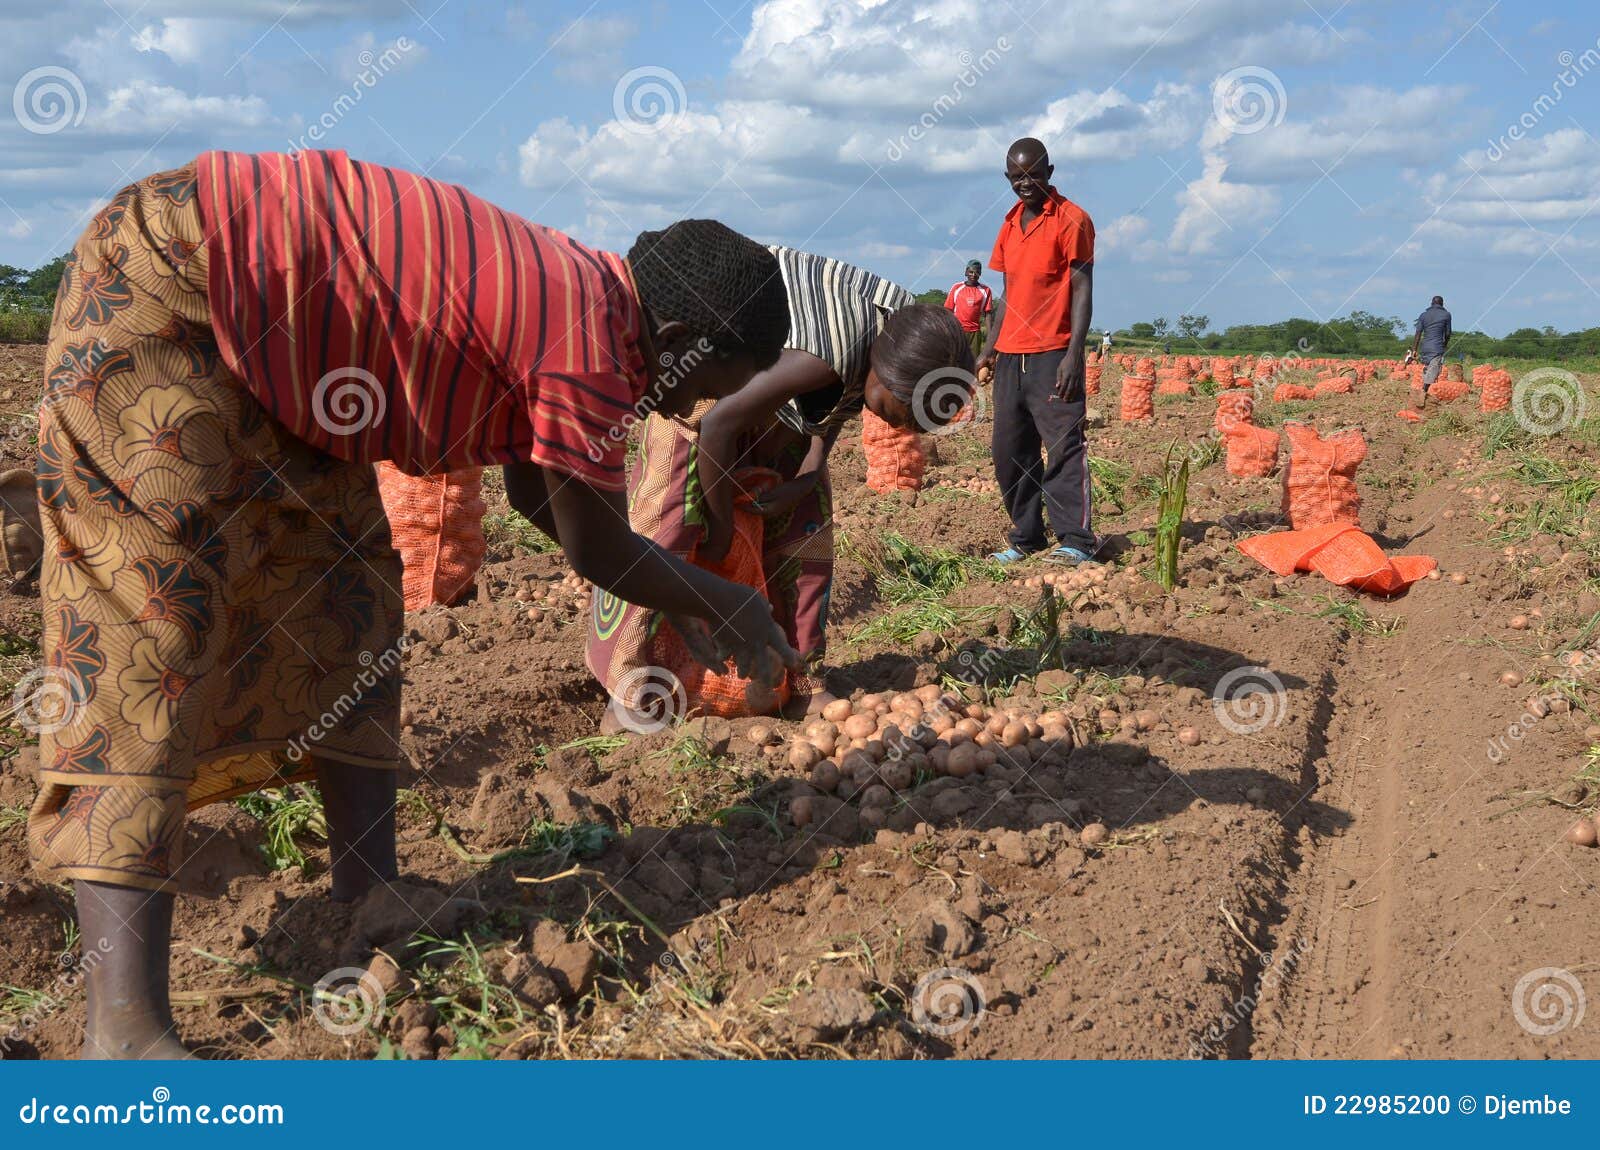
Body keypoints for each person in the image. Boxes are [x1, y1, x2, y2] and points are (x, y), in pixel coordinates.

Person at [27, 150, 798, 1059]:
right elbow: (595, 547)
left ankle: (371, 896)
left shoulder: (588, 304)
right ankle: (122, 1032)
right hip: (178, 276)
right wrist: (734, 605)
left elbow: (530, 500)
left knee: (345, 594)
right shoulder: (593, 339)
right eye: (707, 386)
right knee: (152, 619)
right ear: (674, 342)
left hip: (285, 352)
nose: (695, 408)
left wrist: (687, 596)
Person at [590, 246, 973, 717]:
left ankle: (800, 674)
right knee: (670, 523)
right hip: (703, 386)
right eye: (897, 413)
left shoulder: (909, 335)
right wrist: (722, 529)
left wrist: (806, 477)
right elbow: (718, 426)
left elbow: (836, 408)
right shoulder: (826, 354)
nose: (898, 427)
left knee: (808, 520)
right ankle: (630, 691)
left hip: (766, 391)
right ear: (887, 371)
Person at [975, 137, 1097, 565]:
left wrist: (1073, 354)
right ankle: (1026, 538)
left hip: (1053, 353)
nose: (1025, 183)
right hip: (1011, 355)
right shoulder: (1009, 224)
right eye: (1015, 177)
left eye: (1033, 174)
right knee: (1010, 451)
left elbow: (1082, 290)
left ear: (1050, 170)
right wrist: (989, 350)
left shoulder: (1072, 219)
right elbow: (1008, 294)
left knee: (1063, 446)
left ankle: (1077, 541)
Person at [943, 259, 994, 360]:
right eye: (971, 272)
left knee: (973, 361)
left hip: (975, 332)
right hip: (958, 331)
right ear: (966, 272)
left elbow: (988, 314)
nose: (974, 275)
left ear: (980, 274)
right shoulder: (957, 288)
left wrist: (990, 336)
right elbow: (948, 310)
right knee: (955, 359)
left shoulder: (985, 290)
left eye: (977, 272)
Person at [1411, 294, 1452, 408]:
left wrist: (1414, 349)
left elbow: (1418, 333)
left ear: (1431, 303)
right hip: (1437, 347)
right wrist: (1444, 345)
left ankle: (1428, 396)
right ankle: (1423, 395)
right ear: (1442, 304)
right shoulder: (1446, 315)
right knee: (1433, 372)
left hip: (1425, 348)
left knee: (1428, 370)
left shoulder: (1423, 315)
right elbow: (1448, 333)